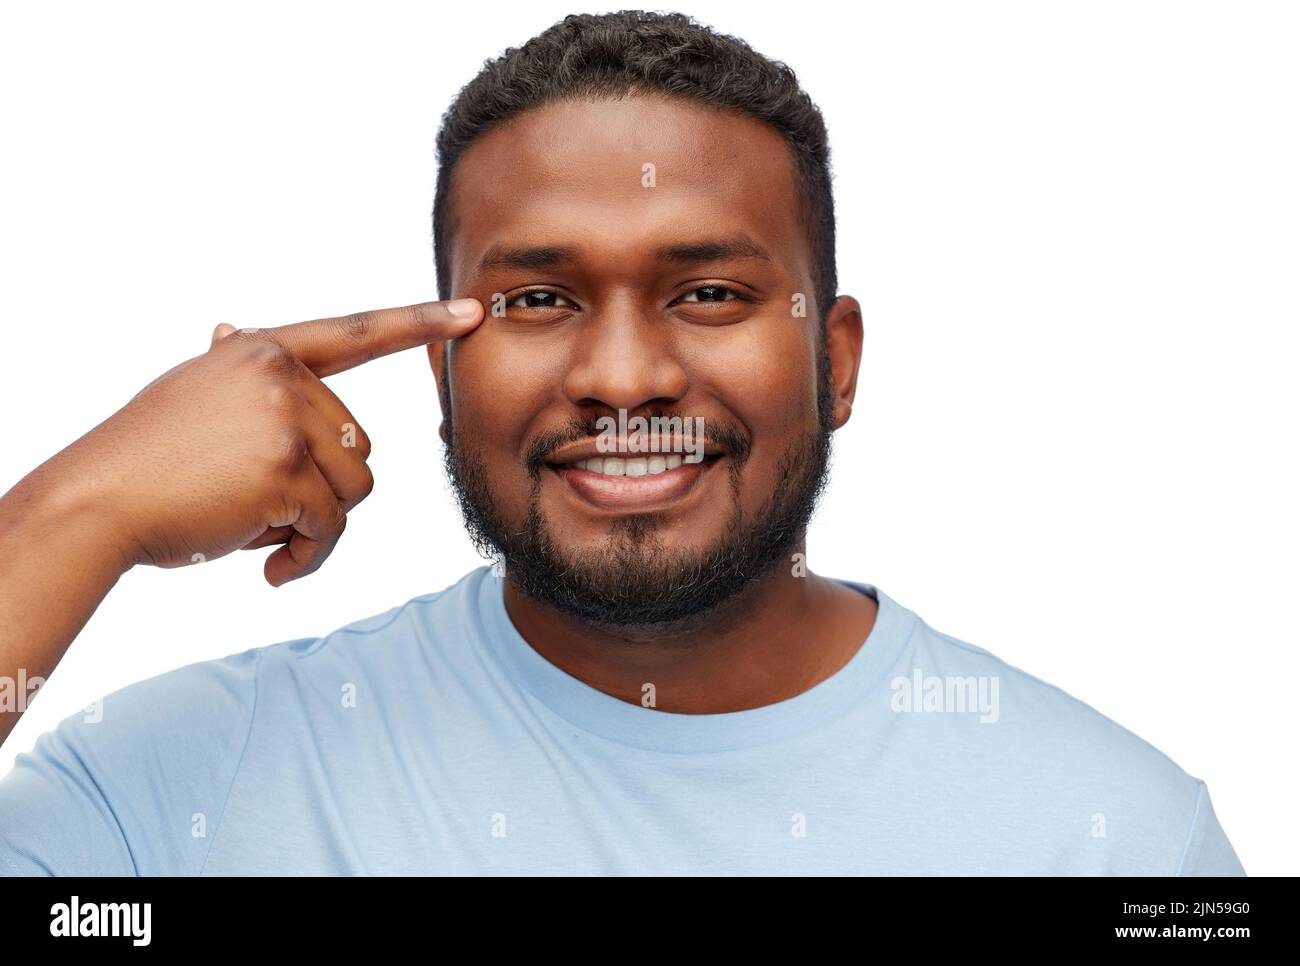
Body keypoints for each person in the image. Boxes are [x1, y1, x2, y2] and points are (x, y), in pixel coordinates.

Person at [0, 10, 1243, 875]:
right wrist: (75, 516)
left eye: (708, 293)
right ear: (442, 371)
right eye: (538, 300)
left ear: (837, 359)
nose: (623, 376)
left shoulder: (1110, 838)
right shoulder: (169, 795)